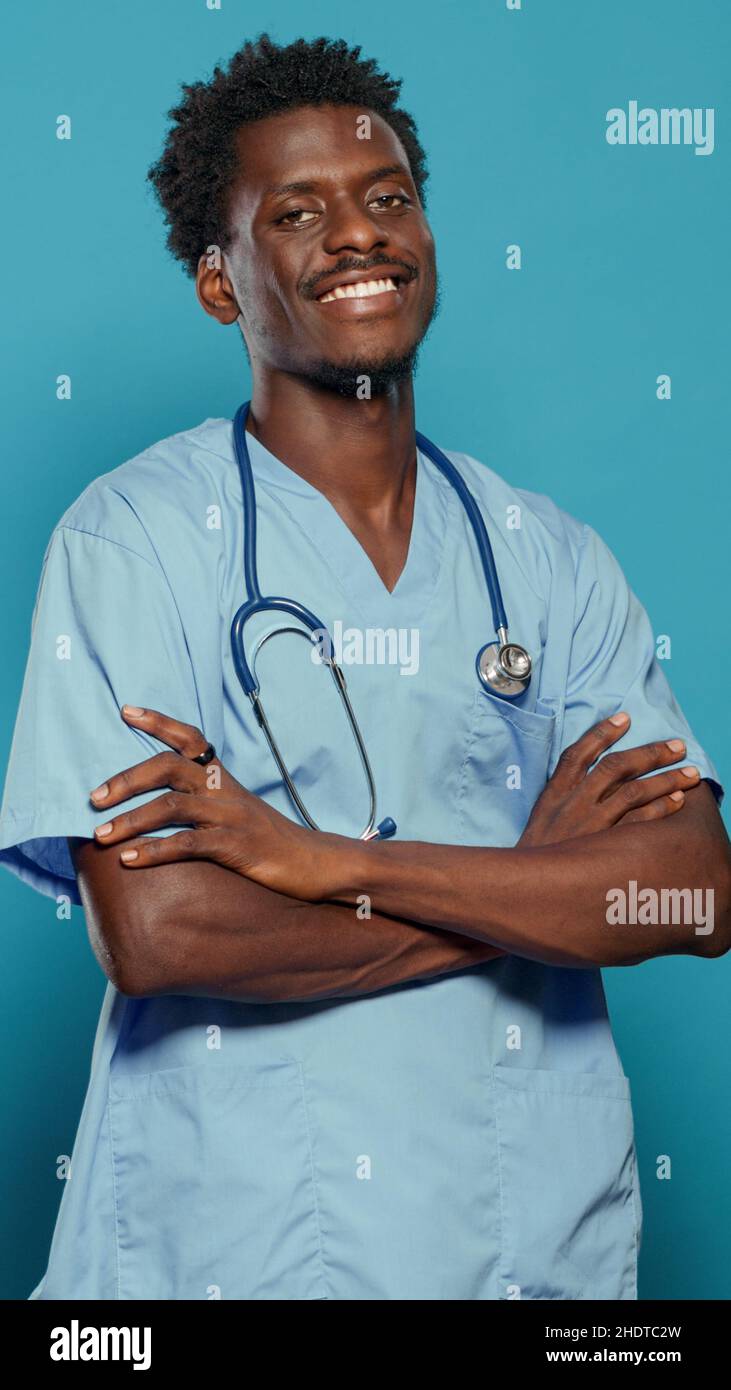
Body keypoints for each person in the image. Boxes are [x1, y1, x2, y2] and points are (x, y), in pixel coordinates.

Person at [1, 33, 728, 1302]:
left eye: (387, 196)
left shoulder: (544, 555)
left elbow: (687, 901)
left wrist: (326, 863)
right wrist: (529, 889)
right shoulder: (134, 541)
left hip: (530, 1251)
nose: (358, 234)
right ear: (220, 283)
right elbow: (163, 933)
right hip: (232, 1246)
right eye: (296, 211)